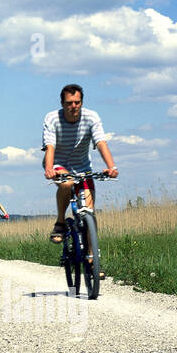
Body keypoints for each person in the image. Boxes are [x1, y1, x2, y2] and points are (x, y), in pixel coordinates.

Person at [42, 83, 117, 244]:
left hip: (83, 168)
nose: (73, 106)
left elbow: (101, 142)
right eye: (69, 103)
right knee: (67, 184)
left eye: (77, 102)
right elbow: (50, 146)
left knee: (89, 212)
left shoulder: (91, 117)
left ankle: (92, 259)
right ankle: (60, 223)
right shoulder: (53, 118)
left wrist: (112, 166)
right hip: (58, 164)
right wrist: (49, 169)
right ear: (62, 104)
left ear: (82, 102)